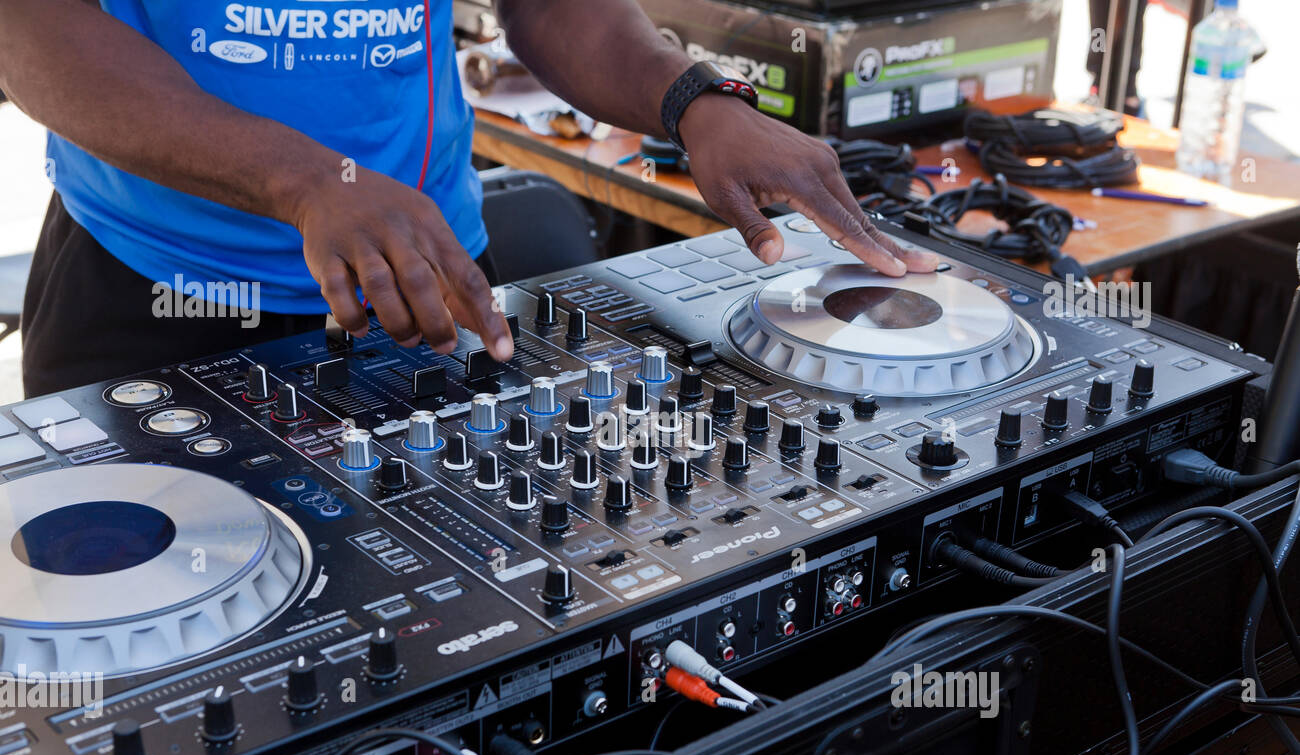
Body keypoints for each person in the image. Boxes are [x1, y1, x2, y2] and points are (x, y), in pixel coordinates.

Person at [0, 0, 937, 398]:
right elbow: (29, 30)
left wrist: (693, 100)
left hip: (427, 285)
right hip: (153, 290)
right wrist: (305, 179)